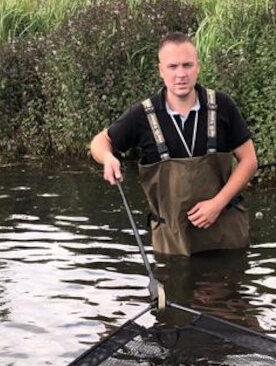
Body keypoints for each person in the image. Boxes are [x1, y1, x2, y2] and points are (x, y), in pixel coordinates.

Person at [90, 32, 258, 256]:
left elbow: (249, 161)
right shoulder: (143, 115)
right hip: (172, 243)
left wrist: (218, 203)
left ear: (198, 67)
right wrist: (108, 158)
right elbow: (101, 141)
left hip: (226, 236)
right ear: (161, 70)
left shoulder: (222, 105)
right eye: (172, 67)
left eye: (187, 65)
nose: (181, 74)